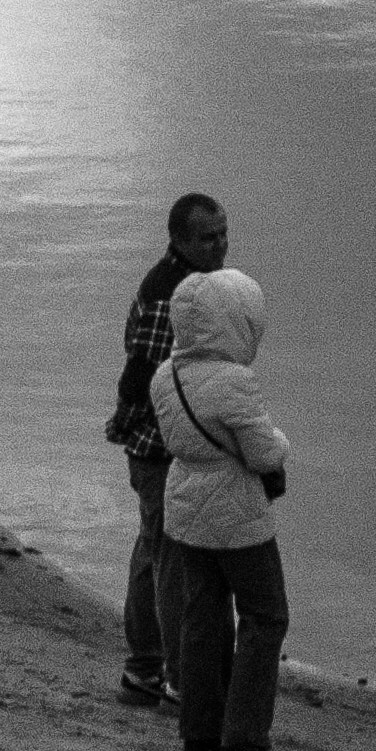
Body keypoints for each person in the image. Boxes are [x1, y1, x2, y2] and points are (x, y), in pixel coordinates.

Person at [150, 266, 296, 751]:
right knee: (265, 615)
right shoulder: (235, 381)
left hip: (185, 506)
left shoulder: (164, 377)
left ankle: (199, 728)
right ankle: (245, 736)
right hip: (236, 515)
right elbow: (261, 456)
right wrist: (282, 441)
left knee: (203, 615)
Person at [109, 193, 228, 708]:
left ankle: (144, 669)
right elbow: (143, 378)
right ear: (179, 241)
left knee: (152, 550)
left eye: (223, 233)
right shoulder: (170, 295)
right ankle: (174, 676)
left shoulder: (185, 284)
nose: (221, 245)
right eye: (208, 237)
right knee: (170, 561)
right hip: (158, 448)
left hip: (159, 445)